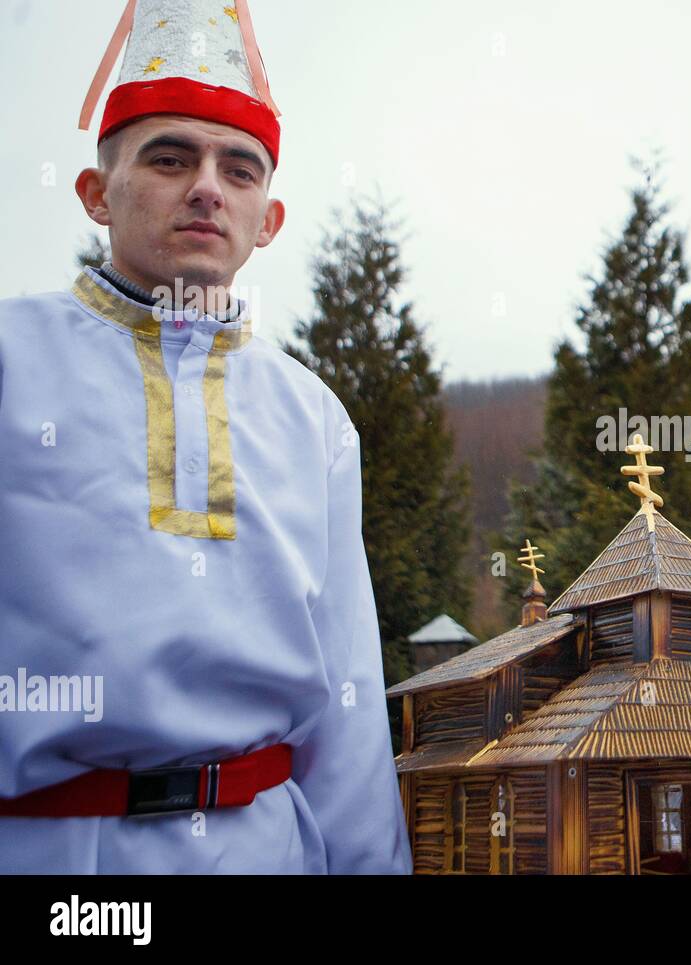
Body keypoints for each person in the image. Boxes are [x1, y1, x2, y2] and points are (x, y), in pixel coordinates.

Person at [0, 0, 410, 873]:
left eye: (240, 168)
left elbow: (346, 705)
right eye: (169, 157)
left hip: (262, 850)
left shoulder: (314, 417)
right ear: (95, 193)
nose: (206, 188)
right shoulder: (9, 361)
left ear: (268, 219)